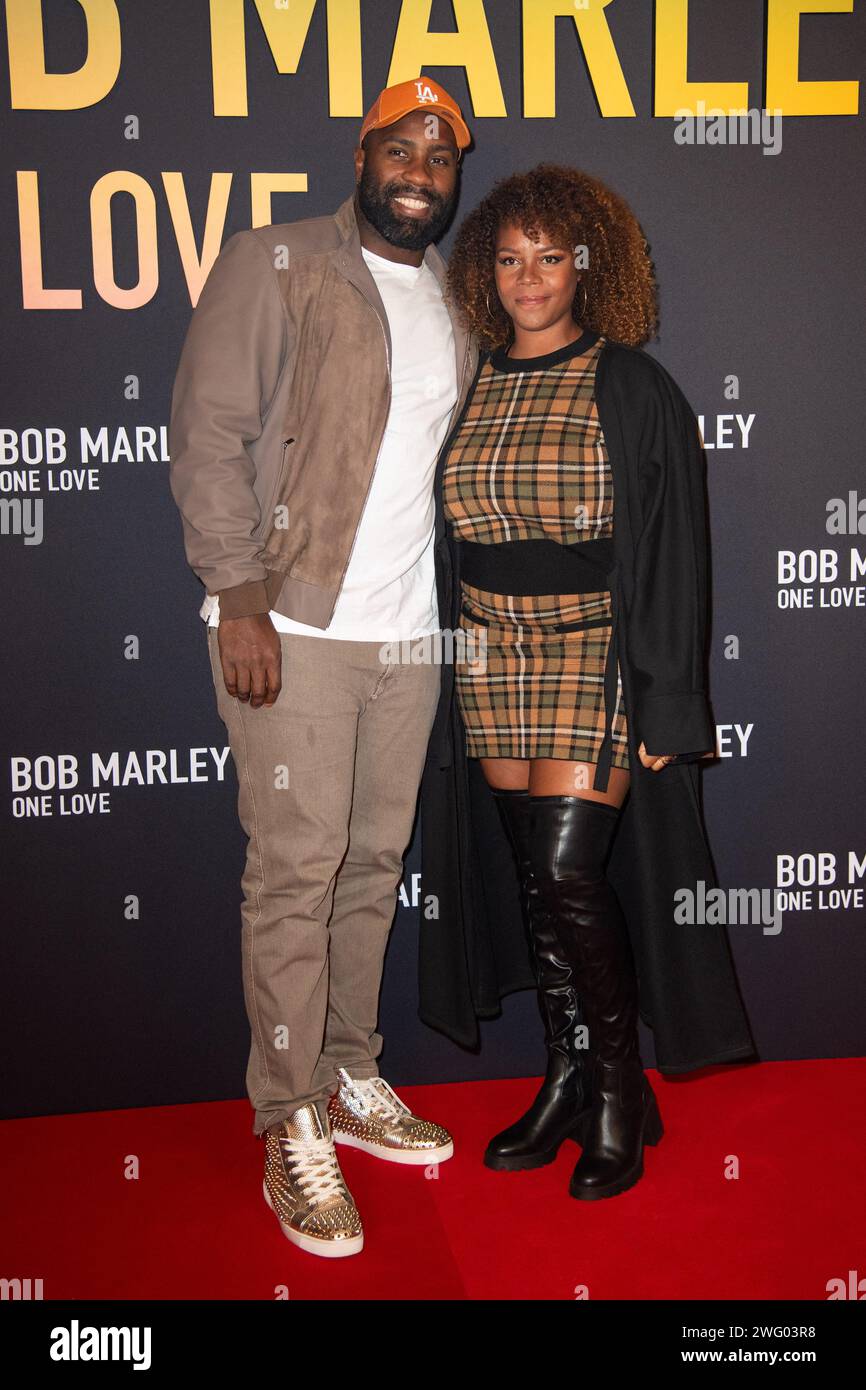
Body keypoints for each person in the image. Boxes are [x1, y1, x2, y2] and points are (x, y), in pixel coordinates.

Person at [168, 79, 478, 1256]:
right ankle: (287, 1115)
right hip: (290, 624)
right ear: (361, 156)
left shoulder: (456, 296)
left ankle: (350, 1074)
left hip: (406, 633)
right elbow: (207, 432)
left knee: (371, 863)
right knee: (296, 872)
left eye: (439, 156)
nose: (418, 168)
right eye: (399, 147)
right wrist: (237, 598)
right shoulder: (278, 260)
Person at [419, 164, 757, 1201]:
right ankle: (564, 1071)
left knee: (568, 871)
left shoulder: (629, 383)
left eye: (548, 258)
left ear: (584, 264)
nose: (528, 279)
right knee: (534, 882)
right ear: (488, 272)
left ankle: (619, 1092)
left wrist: (666, 699)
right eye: (509, 259)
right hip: (486, 655)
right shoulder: (464, 377)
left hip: (588, 653)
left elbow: (671, 553)